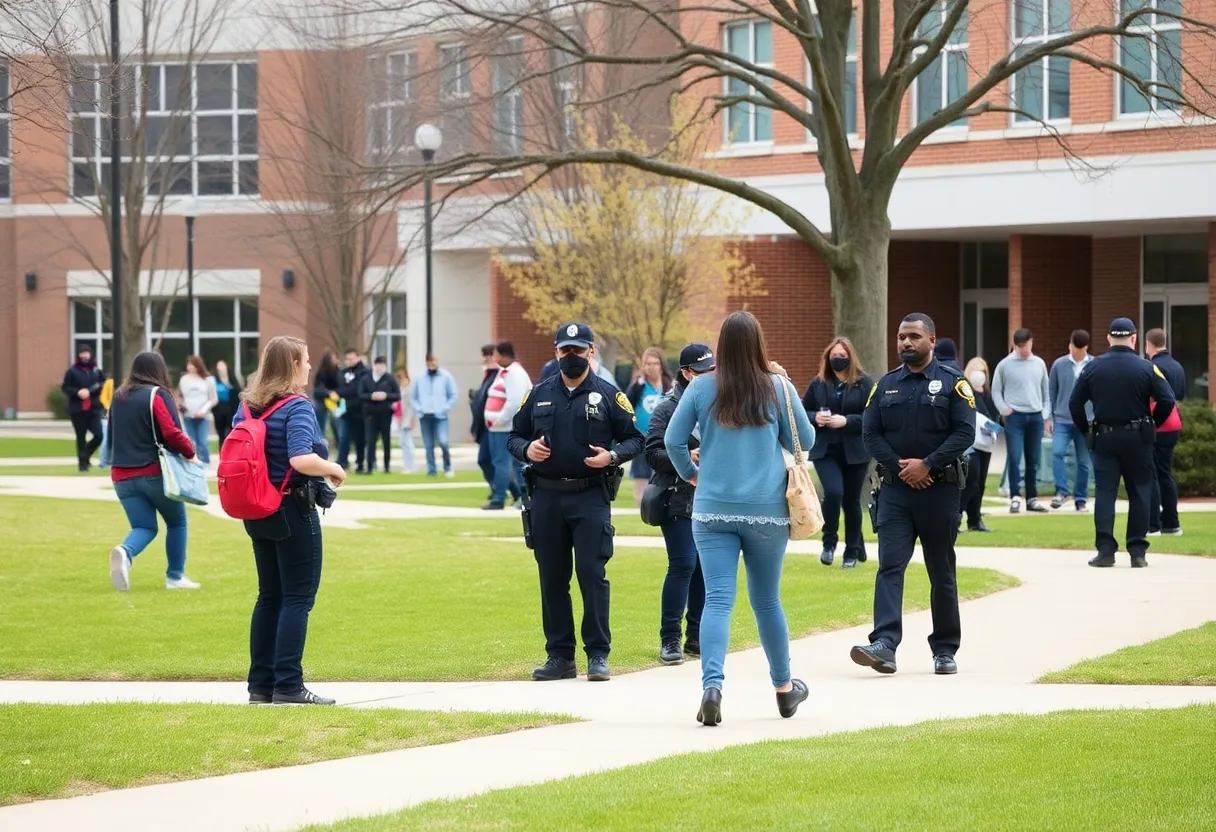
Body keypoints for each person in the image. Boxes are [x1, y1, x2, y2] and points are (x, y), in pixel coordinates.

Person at [665, 311, 813, 727]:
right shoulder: (777, 386)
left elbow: (673, 441)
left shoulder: (700, 386)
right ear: (759, 345)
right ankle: (784, 691)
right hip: (766, 510)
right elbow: (808, 439)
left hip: (712, 508)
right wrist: (783, 393)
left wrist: (693, 474)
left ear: (722, 346)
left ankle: (712, 688)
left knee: (717, 600)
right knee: (767, 601)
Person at [509, 322, 644, 683]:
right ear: (556, 352)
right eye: (565, 350)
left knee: (591, 573)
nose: (571, 356)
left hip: (590, 496)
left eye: (578, 350)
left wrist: (612, 457)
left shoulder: (608, 394)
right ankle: (560, 657)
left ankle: (598, 654)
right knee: (552, 578)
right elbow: (514, 436)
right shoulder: (537, 394)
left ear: (591, 352)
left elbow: (635, 439)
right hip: (547, 496)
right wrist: (527, 449)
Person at [852, 312, 975, 676]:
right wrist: (904, 468)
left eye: (914, 337)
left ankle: (945, 649)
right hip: (895, 492)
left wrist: (929, 465)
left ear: (932, 341)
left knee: (941, 570)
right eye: (901, 336)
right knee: (890, 565)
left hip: (940, 491)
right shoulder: (886, 385)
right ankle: (885, 645)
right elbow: (870, 433)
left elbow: (965, 433)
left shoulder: (954, 383)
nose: (906, 342)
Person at [232, 335, 346, 706]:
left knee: (269, 596)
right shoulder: (297, 406)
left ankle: (260, 686)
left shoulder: (247, 407)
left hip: (256, 508)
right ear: (293, 366)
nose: (310, 366)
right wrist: (332, 468)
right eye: (306, 360)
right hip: (292, 508)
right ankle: (289, 685)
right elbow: (300, 459)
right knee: (297, 598)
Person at [1069, 319, 1176, 568]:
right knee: (1140, 492)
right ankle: (1137, 551)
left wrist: (1086, 429)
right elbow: (1168, 400)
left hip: (1104, 438)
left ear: (1108, 339)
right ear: (1134, 338)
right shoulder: (1146, 368)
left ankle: (1106, 551)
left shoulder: (1093, 368)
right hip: (1138, 438)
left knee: (1106, 493)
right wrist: (1153, 423)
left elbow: (1075, 403)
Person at [103, 351, 202, 592]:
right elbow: (171, 432)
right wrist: (191, 453)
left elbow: (112, 434)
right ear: (159, 370)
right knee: (177, 522)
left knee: (144, 526)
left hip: (121, 476)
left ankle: (125, 553)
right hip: (153, 472)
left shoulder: (118, 396)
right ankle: (175, 577)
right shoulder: (157, 395)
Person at [644, 342, 713, 666]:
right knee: (684, 563)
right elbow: (653, 454)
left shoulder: (718, 404)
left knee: (703, 568)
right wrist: (687, 457)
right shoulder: (667, 408)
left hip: (711, 498)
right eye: (703, 371)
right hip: (675, 497)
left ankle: (696, 637)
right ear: (686, 373)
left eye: (713, 370)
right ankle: (669, 638)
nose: (711, 376)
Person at [802, 337, 874, 568]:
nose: (838, 360)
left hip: (855, 451)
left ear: (850, 357)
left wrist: (847, 421)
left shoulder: (864, 384)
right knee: (833, 493)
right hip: (826, 450)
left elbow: (872, 417)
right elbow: (804, 411)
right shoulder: (818, 383)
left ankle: (852, 551)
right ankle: (828, 543)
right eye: (834, 356)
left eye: (842, 356)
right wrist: (816, 418)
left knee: (852, 501)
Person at [992, 328, 1051, 514]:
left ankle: (1032, 498)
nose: (1024, 350)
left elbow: (1046, 391)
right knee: (1015, 457)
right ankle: (1015, 497)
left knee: (1033, 460)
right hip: (1015, 417)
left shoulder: (1039, 363)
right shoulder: (1005, 365)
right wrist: (1004, 409)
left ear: (1031, 343)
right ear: (1015, 345)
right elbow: (996, 390)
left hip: (1035, 416)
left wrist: (1045, 413)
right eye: (1020, 347)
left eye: (1026, 346)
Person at [1145, 328, 1186, 536]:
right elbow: (1180, 396)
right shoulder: (1177, 366)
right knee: (1165, 473)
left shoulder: (1154, 366)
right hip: (1174, 424)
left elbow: (1156, 397)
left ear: (1148, 344)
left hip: (1159, 424)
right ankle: (1171, 522)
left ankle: (1153, 524)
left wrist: (1155, 421)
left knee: (1151, 474)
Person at [1048, 330, 1094, 512]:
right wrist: (1049, 417)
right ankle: (1061, 491)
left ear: (1085, 348)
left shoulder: (1093, 365)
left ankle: (1081, 499)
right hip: (1062, 420)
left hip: (1086, 421)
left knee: (1083, 462)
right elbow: (1051, 393)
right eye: (1073, 347)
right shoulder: (1059, 365)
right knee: (1057, 453)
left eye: (1078, 348)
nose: (1074, 351)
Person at [485, 341, 532, 509]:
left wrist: (501, 419)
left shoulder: (515, 374)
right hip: (499, 427)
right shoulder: (504, 373)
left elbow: (514, 401)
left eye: (496, 354)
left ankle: (499, 498)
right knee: (513, 463)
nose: (494, 358)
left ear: (505, 355)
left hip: (506, 427)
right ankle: (523, 496)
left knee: (502, 463)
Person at [625, 347, 674, 503]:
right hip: (642, 440)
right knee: (641, 479)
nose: (651, 367)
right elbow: (626, 407)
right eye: (647, 364)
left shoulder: (670, 387)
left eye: (655, 363)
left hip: (664, 440)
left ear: (661, 365)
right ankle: (642, 509)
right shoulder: (638, 386)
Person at [960, 357, 1000, 532]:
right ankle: (958, 516)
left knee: (981, 482)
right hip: (971, 442)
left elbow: (992, 413)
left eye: (983, 371)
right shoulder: (965, 392)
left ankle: (975, 519)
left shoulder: (987, 393)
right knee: (972, 481)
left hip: (985, 442)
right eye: (976, 370)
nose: (980, 374)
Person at [411, 353, 459, 478]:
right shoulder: (420, 377)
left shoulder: (445, 376)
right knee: (428, 445)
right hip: (425, 415)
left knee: (443, 441)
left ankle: (447, 466)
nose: (433, 365)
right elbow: (413, 397)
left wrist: (445, 408)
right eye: (430, 363)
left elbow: (453, 395)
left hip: (440, 416)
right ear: (427, 363)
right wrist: (419, 409)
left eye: (435, 362)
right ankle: (431, 469)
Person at [62, 343, 107, 472]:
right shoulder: (72, 371)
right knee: (80, 436)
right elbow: (66, 387)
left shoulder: (96, 371)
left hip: (93, 408)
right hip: (77, 409)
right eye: (82, 353)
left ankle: (85, 454)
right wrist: (78, 392)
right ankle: (82, 465)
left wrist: (91, 391)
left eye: (87, 353)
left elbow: (102, 385)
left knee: (99, 435)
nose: (85, 355)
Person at [359, 356, 401, 474]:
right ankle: (370, 466)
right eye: (378, 365)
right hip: (370, 414)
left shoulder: (389, 378)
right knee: (370, 440)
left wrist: (386, 395)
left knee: (385, 440)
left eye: (382, 365)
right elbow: (360, 394)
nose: (380, 368)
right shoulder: (366, 379)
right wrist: (371, 396)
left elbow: (397, 395)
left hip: (385, 414)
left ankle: (387, 466)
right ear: (374, 365)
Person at [178, 355, 218, 466]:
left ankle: (205, 464)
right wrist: (181, 406)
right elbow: (181, 396)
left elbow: (213, 399)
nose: (190, 367)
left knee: (203, 443)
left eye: (193, 365)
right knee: (190, 442)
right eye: (189, 364)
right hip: (188, 415)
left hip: (203, 416)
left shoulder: (208, 380)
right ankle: (193, 464)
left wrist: (203, 411)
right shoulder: (184, 380)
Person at [470, 345, 500, 493]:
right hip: (484, 424)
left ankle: (502, 491)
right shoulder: (488, 376)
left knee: (493, 461)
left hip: (494, 424)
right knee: (485, 460)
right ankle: (500, 489)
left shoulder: (497, 375)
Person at [337, 349, 370, 472]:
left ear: (358, 358)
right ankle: (342, 461)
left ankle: (360, 463)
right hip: (346, 411)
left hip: (360, 411)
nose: (349, 362)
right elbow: (340, 388)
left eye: (351, 359)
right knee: (344, 437)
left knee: (360, 439)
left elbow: (357, 390)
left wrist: (343, 392)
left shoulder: (365, 372)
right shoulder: (343, 373)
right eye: (347, 359)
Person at [312, 351, 342, 449]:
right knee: (321, 422)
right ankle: (320, 443)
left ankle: (339, 443)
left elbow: (341, 387)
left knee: (336, 421)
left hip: (333, 401)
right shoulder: (321, 372)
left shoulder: (338, 371)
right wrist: (328, 393)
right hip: (322, 399)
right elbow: (318, 389)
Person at [212, 360, 241, 447]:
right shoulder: (214, 381)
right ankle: (222, 452)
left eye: (222, 367)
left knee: (230, 431)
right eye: (219, 368)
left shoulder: (232, 380)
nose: (221, 370)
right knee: (221, 434)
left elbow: (238, 393)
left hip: (230, 409)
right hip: (218, 409)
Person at [393, 369, 417, 474]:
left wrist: (411, 420)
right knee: (403, 442)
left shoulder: (409, 391)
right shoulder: (400, 390)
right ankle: (407, 464)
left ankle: (411, 465)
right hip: (401, 418)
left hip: (407, 419)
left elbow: (412, 407)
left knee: (407, 442)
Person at [98, 374, 115, 468]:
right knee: (106, 438)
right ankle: (103, 462)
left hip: (115, 412)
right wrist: (108, 407)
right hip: (107, 413)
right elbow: (103, 397)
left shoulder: (124, 383)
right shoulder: (109, 383)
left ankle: (109, 460)